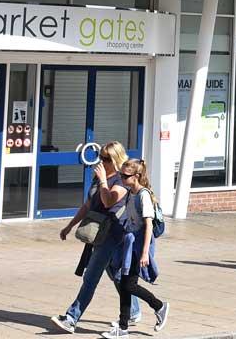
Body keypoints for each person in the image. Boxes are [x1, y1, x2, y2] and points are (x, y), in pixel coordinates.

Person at [53, 142, 141, 333]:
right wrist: (70, 225)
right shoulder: (99, 177)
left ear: (116, 159)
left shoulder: (120, 180)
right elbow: (88, 205)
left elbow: (109, 201)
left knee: (91, 276)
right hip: (98, 233)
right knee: (117, 275)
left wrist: (102, 181)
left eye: (106, 158)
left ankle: (71, 318)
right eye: (101, 156)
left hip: (113, 234)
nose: (101, 161)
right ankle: (135, 310)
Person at [104, 159, 168, 339]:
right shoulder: (130, 193)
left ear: (137, 176)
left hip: (140, 245)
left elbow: (148, 225)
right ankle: (123, 327)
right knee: (125, 283)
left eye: (125, 176)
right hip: (130, 243)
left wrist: (145, 253)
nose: (122, 178)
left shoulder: (143, 195)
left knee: (128, 285)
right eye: (121, 175)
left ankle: (159, 306)